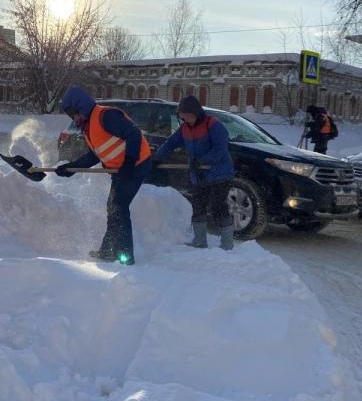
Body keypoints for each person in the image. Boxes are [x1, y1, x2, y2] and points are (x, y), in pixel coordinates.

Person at [56, 86, 152, 266]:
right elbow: (94, 155)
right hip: (121, 169)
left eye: (74, 114)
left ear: (81, 107)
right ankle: (108, 251)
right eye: (71, 116)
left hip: (136, 164)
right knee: (113, 207)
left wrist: (129, 162)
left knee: (119, 206)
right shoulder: (88, 127)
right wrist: (71, 168)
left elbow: (133, 134)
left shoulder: (105, 116)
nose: (74, 119)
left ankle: (125, 255)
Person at [152, 95, 235, 250]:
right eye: (182, 116)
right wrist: (157, 158)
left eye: (187, 115)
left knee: (218, 206)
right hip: (199, 175)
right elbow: (170, 143)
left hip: (220, 173)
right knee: (198, 206)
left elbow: (221, 149)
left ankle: (227, 243)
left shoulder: (213, 125)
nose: (185, 119)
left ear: (196, 113)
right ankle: (200, 241)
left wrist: (203, 160)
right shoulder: (184, 129)